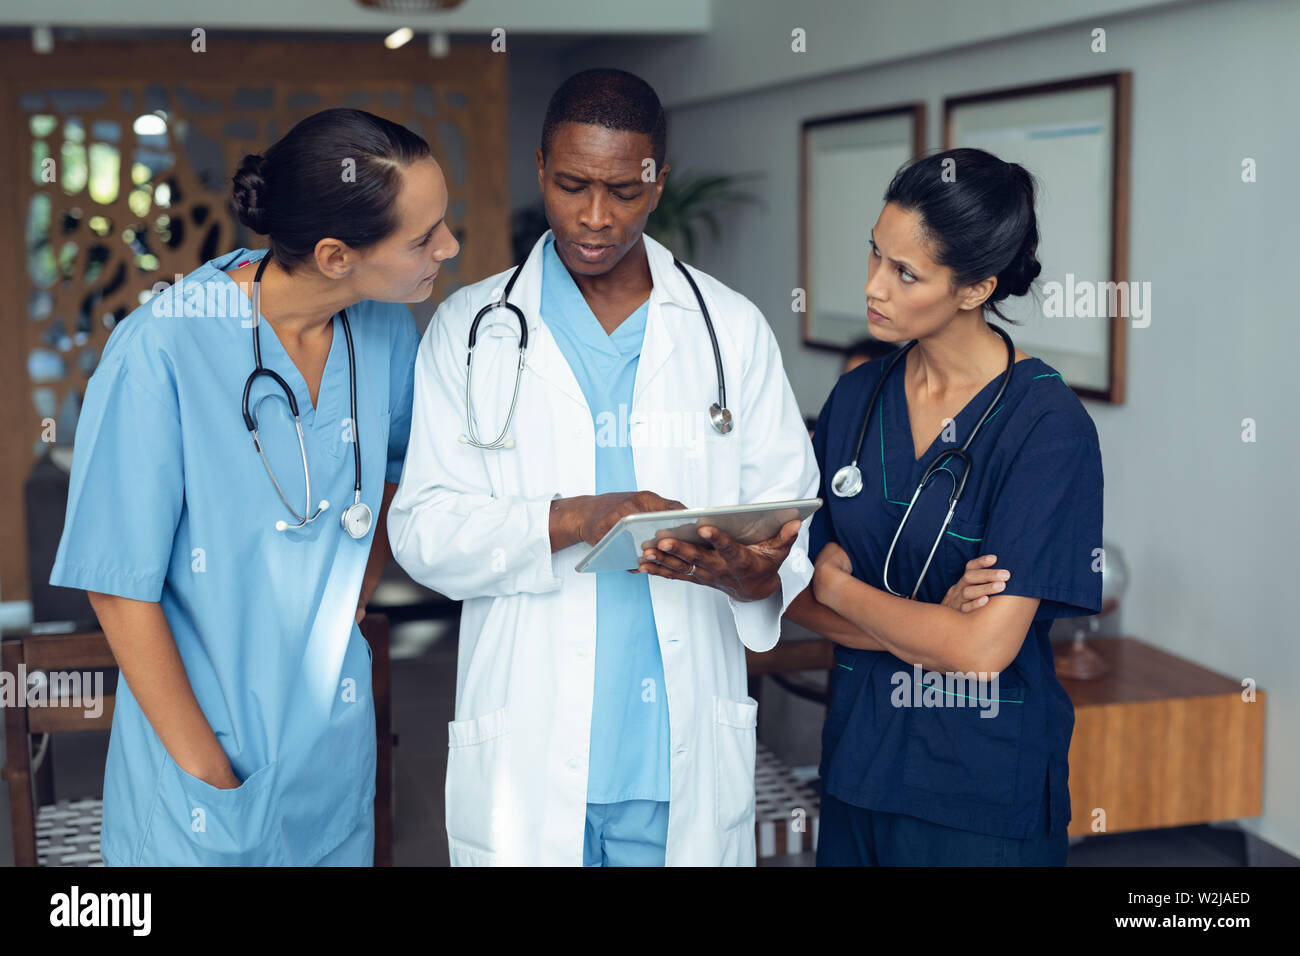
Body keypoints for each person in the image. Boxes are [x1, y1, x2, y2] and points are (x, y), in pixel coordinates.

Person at [387, 68, 818, 866]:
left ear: (657, 181)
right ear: (542, 167)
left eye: (622, 190)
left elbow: (787, 516)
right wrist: (574, 517)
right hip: (529, 742)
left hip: (676, 752)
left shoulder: (730, 328)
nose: (594, 217)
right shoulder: (470, 328)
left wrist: (754, 577)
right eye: (574, 185)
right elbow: (422, 531)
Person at [48, 108, 459, 865]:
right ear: (337, 254)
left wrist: (354, 590)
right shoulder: (164, 348)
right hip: (202, 764)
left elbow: (396, 464)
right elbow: (117, 587)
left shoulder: (384, 330)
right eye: (423, 237)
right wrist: (207, 775)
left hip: (329, 752)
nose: (449, 247)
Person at [785, 147, 1104, 866]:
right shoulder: (856, 398)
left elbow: (982, 653)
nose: (873, 286)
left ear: (973, 289)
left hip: (979, 792)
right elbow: (785, 591)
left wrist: (842, 587)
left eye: (905, 273)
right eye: (875, 254)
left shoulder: (1046, 427)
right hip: (857, 770)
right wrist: (929, 626)